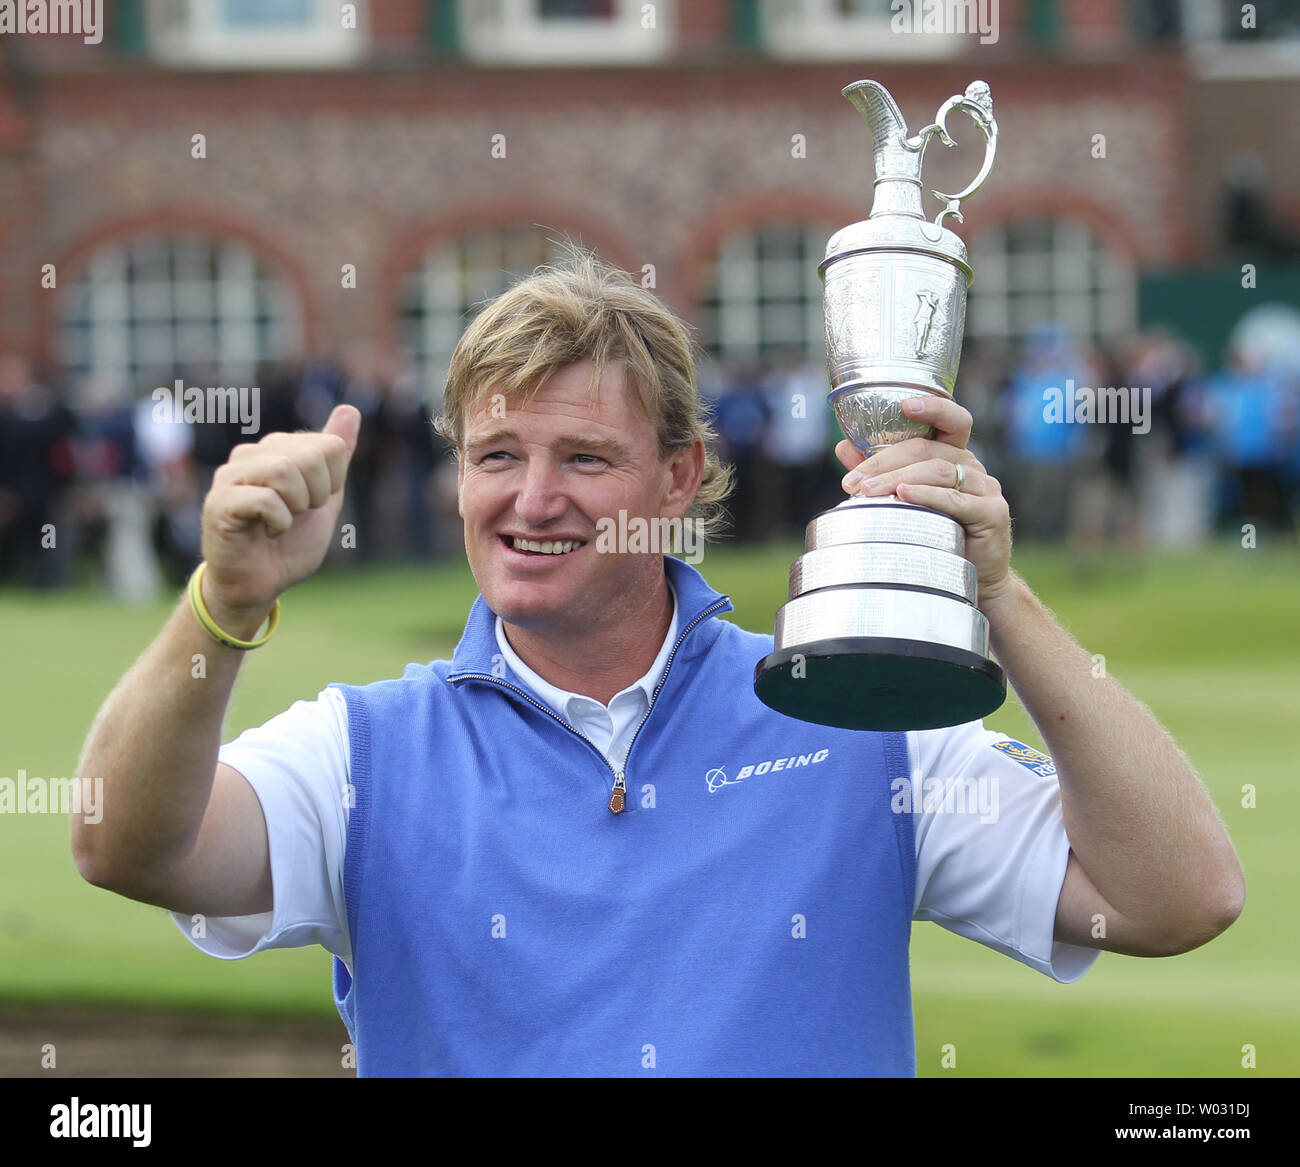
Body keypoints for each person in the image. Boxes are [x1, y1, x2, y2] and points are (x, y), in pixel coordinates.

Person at [72, 251, 1245, 1077]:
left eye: (584, 457)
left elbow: (1177, 899)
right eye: (496, 456)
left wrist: (997, 595)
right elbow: (125, 844)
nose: (532, 501)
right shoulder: (361, 750)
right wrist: (221, 607)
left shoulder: (850, 712)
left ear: (678, 481)